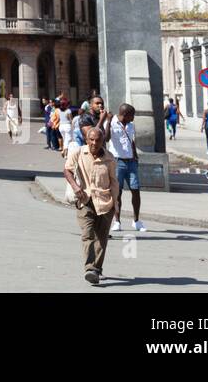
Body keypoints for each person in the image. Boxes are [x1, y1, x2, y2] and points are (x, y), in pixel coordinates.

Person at [64, 125, 118, 285]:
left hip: (105, 202)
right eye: (91, 140)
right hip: (85, 200)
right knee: (87, 234)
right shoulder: (78, 153)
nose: (94, 143)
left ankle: (97, 269)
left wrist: (115, 204)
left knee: (101, 238)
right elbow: (67, 170)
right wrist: (75, 187)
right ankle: (89, 268)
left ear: (103, 141)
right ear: (86, 140)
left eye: (98, 140)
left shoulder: (109, 158)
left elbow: (114, 182)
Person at [108, 103, 145, 232]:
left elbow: (131, 141)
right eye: (132, 115)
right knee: (117, 192)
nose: (133, 118)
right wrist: (107, 122)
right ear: (125, 114)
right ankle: (117, 221)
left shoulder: (130, 125)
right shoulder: (112, 122)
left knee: (136, 190)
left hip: (131, 161)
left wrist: (135, 155)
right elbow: (106, 138)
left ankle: (136, 221)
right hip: (117, 161)